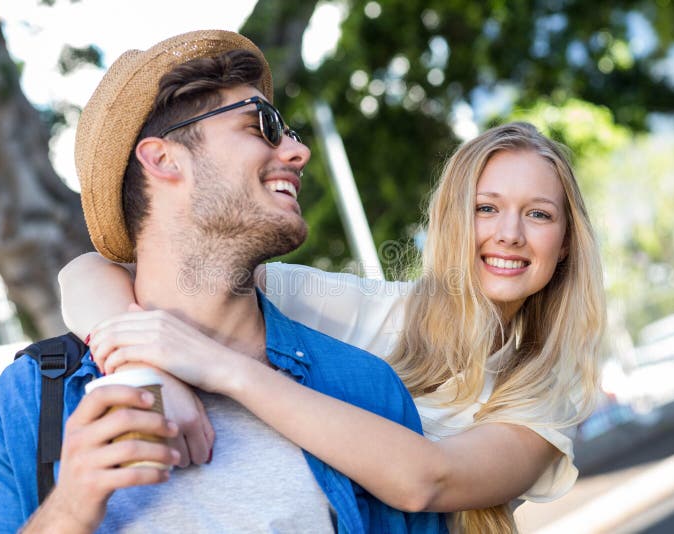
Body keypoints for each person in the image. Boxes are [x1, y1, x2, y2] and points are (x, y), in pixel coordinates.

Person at [0, 29, 445, 534]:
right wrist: (73, 503)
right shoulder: (28, 400)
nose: (297, 151)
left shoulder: (363, 387)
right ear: (164, 159)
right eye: (263, 125)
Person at [60, 121, 607, 532]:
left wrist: (223, 370)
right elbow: (88, 272)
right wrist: (148, 371)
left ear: (564, 246)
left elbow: (429, 479)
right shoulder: (372, 306)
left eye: (538, 214)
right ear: (451, 222)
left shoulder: (548, 390)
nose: (510, 233)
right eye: (486, 208)